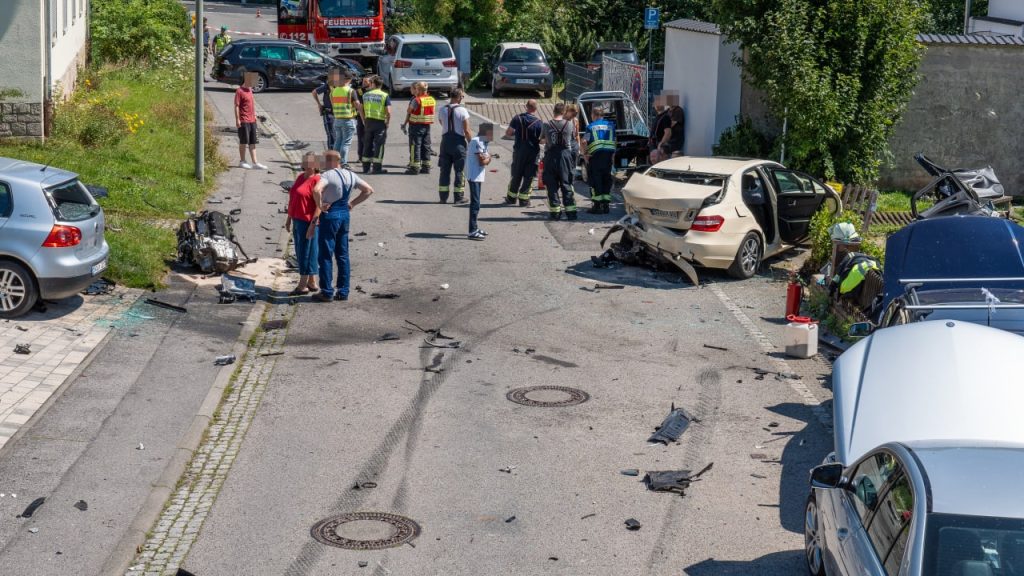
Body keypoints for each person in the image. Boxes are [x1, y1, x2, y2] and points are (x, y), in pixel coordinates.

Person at [312, 150, 374, 302]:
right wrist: (352, 203)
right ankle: (343, 291)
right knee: (342, 254)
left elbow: (316, 190)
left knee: (325, 255)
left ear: (330, 161)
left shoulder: (327, 176)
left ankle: (327, 291)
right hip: (344, 214)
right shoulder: (351, 174)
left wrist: (320, 205)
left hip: (330, 215)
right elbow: (368, 190)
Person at [285, 152, 322, 295]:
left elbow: (319, 205)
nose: (306, 165)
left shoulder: (317, 180)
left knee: (306, 252)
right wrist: (289, 219)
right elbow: (293, 199)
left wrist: (313, 224)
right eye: (305, 162)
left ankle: (302, 285)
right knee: (304, 251)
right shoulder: (301, 177)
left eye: (310, 162)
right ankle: (312, 282)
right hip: (297, 219)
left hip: (308, 221)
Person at [539, 102, 576, 220]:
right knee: (566, 183)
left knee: (551, 185)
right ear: (564, 112)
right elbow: (571, 138)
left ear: (553, 111)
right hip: (565, 156)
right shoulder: (570, 124)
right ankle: (571, 213)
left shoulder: (546, 124)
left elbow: (542, 140)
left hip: (551, 156)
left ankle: (555, 213)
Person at [504, 99, 543, 207]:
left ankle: (511, 198)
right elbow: (542, 140)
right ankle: (524, 200)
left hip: (519, 151)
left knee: (516, 173)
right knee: (529, 176)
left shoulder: (517, 118)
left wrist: (517, 135)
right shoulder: (539, 123)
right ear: (535, 109)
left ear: (526, 107)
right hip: (533, 153)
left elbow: (508, 133)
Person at [436, 88, 472, 204]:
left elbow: (441, 123)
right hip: (458, 143)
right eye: (462, 97)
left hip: (445, 142)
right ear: (458, 97)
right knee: (459, 171)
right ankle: (458, 197)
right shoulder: (463, 111)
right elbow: (466, 130)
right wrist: (471, 143)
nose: (462, 99)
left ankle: (443, 197)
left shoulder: (442, 109)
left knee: (444, 170)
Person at [584, 106, 615, 214]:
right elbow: (614, 140)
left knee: (595, 180)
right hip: (608, 157)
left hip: (595, 157)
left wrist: (585, 154)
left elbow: (585, 141)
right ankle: (606, 206)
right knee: (606, 179)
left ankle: (597, 206)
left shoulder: (590, 127)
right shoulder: (611, 126)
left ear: (594, 115)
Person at [466, 123, 493, 240]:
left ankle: (475, 227)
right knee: (475, 204)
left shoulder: (483, 142)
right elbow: (483, 161)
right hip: (474, 176)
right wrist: (489, 158)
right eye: (492, 132)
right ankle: (472, 230)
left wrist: (488, 158)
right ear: (486, 132)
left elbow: (486, 158)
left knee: (477, 203)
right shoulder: (477, 142)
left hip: (478, 175)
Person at [234, 72, 267, 170]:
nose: (254, 84)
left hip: (252, 120)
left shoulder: (250, 90)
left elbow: (251, 104)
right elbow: (236, 106)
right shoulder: (239, 91)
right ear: (247, 80)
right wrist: (237, 120)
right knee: (243, 141)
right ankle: (242, 161)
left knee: (253, 142)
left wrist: (255, 114)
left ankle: (255, 163)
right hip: (244, 120)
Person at [359, 76, 391, 174]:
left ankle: (365, 168)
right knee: (379, 145)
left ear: (373, 84)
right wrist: (387, 122)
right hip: (380, 122)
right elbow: (389, 112)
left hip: (368, 122)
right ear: (381, 85)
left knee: (367, 144)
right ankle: (377, 168)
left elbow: (360, 108)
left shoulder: (365, 95)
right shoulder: (384, 95)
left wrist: (364, 120)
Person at [330, 69, 361, 166]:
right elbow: (357, 104)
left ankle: (335, 162)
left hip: (337, 119)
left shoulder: (333, 91)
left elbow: (333, 104)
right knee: (346, 143)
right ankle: (343, 163)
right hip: (348, 119)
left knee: (338, 141)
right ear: (349, 79)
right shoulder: (351, 91)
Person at [403, 81, 435, 175]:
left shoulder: (416, 100)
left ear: (419, 90)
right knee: (426, 146)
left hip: (416, 126)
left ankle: (414, 168)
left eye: (416, 88)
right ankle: (426, 167)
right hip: (427, 126)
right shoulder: (431, 99)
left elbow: (409, 110)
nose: (415, 90)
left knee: (415, 146)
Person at [312, 70, 337, 150]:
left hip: (338, 113)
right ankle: (331, 154)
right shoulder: (327, 86)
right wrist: (319, 104)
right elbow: (314, 92)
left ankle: (336, 154)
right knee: (331, 134)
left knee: (337, 135)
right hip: (329, 112)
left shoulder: (341, 86)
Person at [648, 95, 672, 164]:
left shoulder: (665, 117)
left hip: (659, 148)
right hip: (654, 146)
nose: (657, 105)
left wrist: (661, 144)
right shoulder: (658, 117)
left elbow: (668, 132)